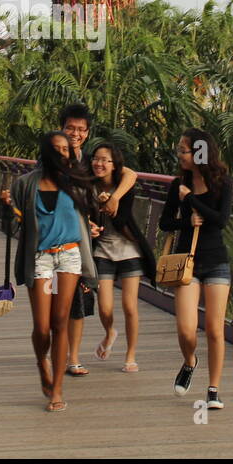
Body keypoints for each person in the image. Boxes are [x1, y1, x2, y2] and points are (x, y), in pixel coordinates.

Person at [0, 132, 101, 412]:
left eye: (66, 149)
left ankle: (57, 389)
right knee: (42, 327)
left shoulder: (77, 183)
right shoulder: (25, 184)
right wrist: (7, 207)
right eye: (56, 149)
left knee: (60, 321)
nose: (61, 153)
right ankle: (40, 361)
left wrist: (93, 228)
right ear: (46, 151)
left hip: (69, 257)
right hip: (40, 259)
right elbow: (14, 225)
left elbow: (87, 217)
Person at [58, 103, 137, 376]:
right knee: (57, 300)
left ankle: (72, 358)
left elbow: (127, 172)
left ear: (87, 132)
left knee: (78, 299)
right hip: (57, 238)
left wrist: (112, 198)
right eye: (70, 128)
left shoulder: (87, 160)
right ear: (61, 128)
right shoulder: (54, 154)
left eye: (81, 129)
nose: (75, 133)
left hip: (84, 243)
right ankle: (56, 355)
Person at [158, 128, 233, 409]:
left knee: (215, 329)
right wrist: (186, 222)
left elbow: (220, 220)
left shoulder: (222, 182)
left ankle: (213, 389)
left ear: (200, 152)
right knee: (185, 329)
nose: (179, 154)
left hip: (216, 261)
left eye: (184, 150)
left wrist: (189, 199)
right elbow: (165, 223)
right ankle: (190, 362)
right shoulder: (178, 183)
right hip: (187, 263)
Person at [88, 141, 156, 372]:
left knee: (130, 306)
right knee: (104, 306)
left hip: (128, 250)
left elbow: (120, 219)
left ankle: (131, 355)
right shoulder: (88, 186)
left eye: (106, 160)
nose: (100, 163)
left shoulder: (124, 188)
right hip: (102, 251)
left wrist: (111, 200)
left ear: (115, 164)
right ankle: (110, 332)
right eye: (96, 158)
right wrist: (96, 210)